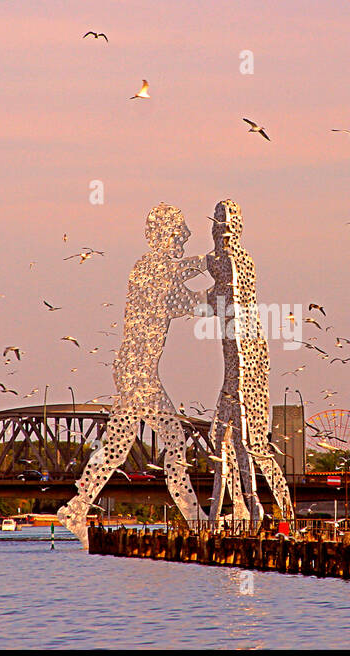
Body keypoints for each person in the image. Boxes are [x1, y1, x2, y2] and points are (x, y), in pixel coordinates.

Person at [58, 203, 209, 546]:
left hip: (138, 373)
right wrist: (213, 264)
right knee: (167, 443)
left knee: (121, 446)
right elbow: (186, 290)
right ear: (162, 235)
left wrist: (212, 275)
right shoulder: (149, 270)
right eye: (180, 230)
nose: (185, 235)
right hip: (136, 374)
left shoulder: (156, 273)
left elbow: (187, 292)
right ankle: (197, 521)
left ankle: (76, 507)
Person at [204, 199, 293, 526]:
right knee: (222, 440)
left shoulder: (234, 261)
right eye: (218, 222)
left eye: (227, 223)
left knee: (248, 442)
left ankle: (265, 508)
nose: (222, 229)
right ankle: (232, 509)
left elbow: (234, 304)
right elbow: (218, 300)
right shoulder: (221, 261)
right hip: (236, 362)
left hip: (247, 360)